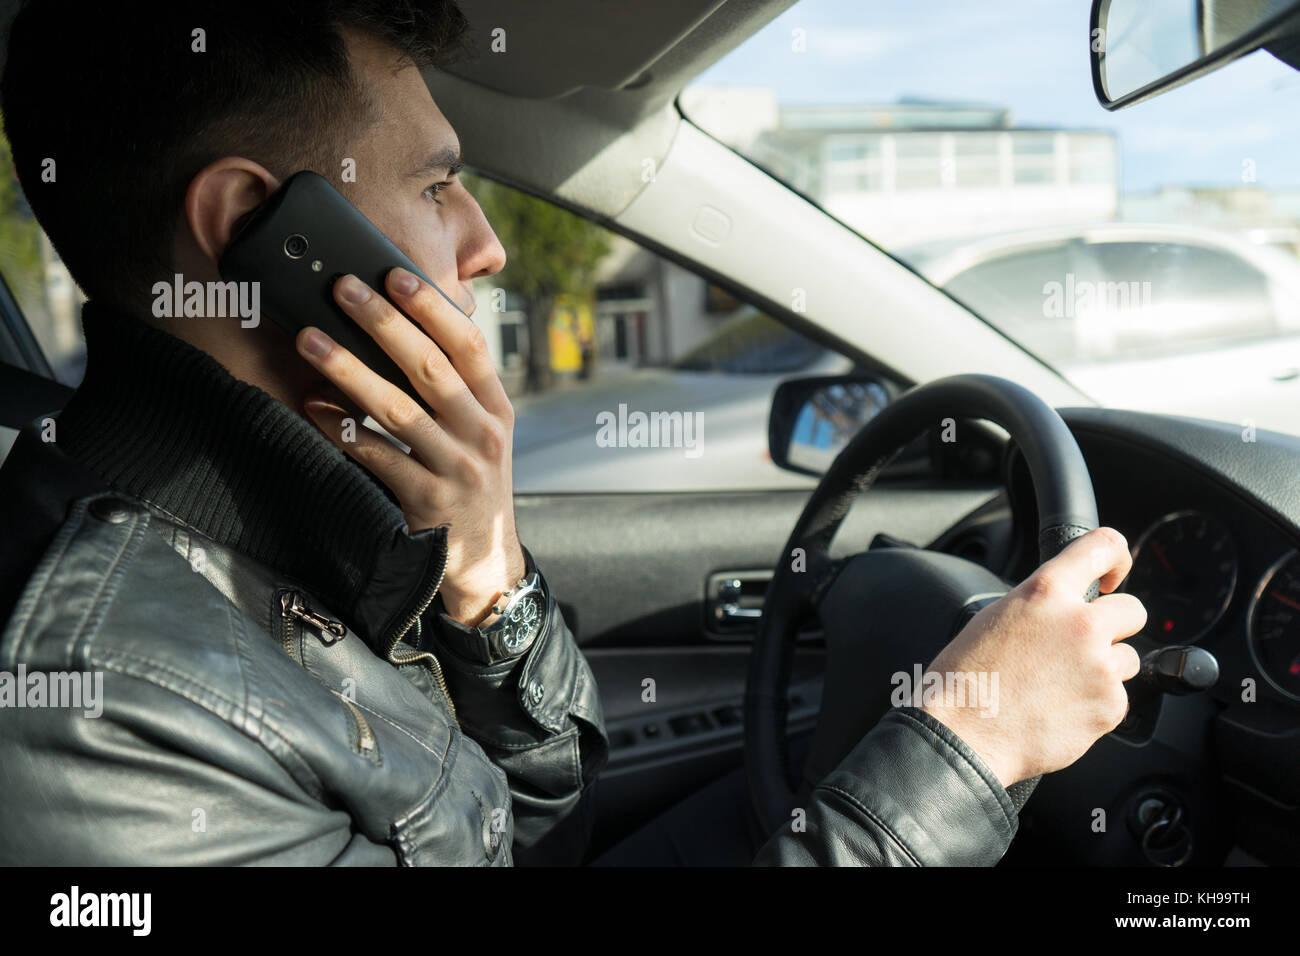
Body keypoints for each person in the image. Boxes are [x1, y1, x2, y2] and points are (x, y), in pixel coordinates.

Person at [0, 0, 1144, 866]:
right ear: (258, 229)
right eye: (437, 185)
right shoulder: (97, 712)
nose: (487, 244)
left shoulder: (306, 519)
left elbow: (537, 830)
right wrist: (964, 747)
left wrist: (484, 577)